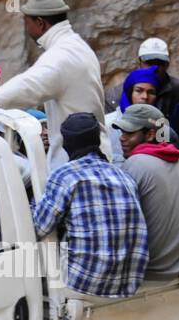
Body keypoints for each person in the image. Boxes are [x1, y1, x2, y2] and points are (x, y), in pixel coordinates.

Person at [0, 0, 106, 169]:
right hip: (88, 155)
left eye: (26, 22)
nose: (25, 28)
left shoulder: (62, 54)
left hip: (79, 164)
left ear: (40, 23)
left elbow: (30, 83)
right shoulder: (75, 46)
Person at [31, 112, 148, 298]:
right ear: (97, 140)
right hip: (129, 283)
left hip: (85, 283)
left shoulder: (64, 176)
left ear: (67, 144)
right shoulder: (123, 176)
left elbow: (40, 227)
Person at [113, 104, 179, 287]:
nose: (122, 139)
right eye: (121, 133)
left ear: (150, 135)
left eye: (129, 133)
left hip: (145, 275)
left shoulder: (133, 165)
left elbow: (120, 224)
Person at [103, 66, 164, 163]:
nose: (145, 97)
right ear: (129, 92)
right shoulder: (107, 124)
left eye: (151, 92)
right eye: (139, 91)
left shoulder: (161, 125)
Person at [138, 37, 179, 130]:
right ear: (140, 63)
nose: (154, 68)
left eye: (159, 63)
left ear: (166, 65)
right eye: (149, 63)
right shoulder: (123, 92)